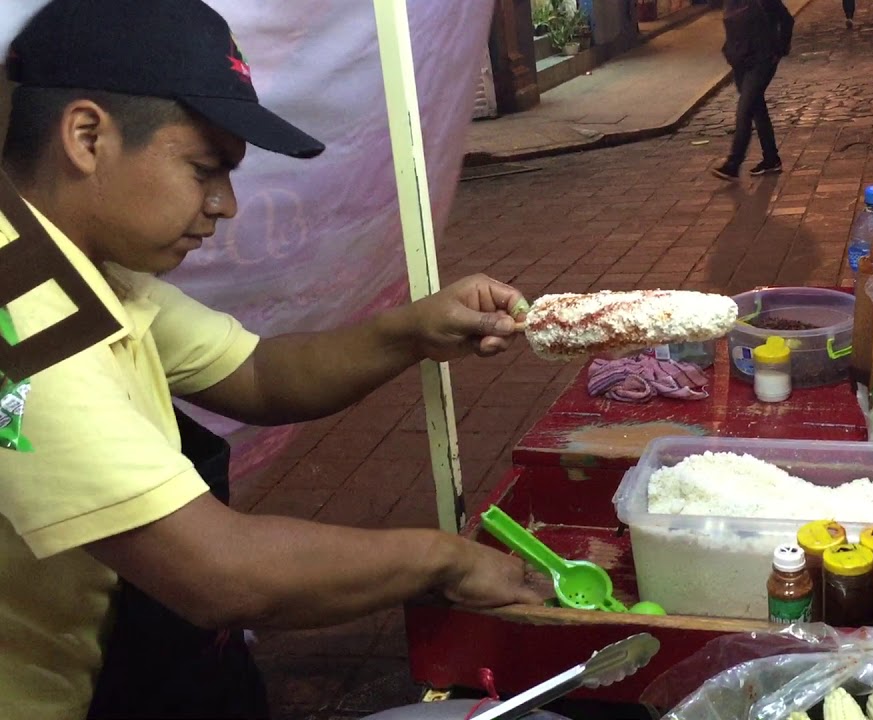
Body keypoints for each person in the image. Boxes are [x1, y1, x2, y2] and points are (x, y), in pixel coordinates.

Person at [0, 1, 545, 719]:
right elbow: (219, 572)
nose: (224, 204)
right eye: (204, 169)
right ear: (87, 136)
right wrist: (447, 560)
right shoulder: (24, 315)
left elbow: (259, 374)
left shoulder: (83, 263)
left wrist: (416, 329)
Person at [712, 0, 795, 181]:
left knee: (745, 110)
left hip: (762, 61)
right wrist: (729, 52)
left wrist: (780, 49)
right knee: (757, 108)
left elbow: (787, 19)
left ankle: (733, 163)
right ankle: (771, 158)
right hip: (740, 62)